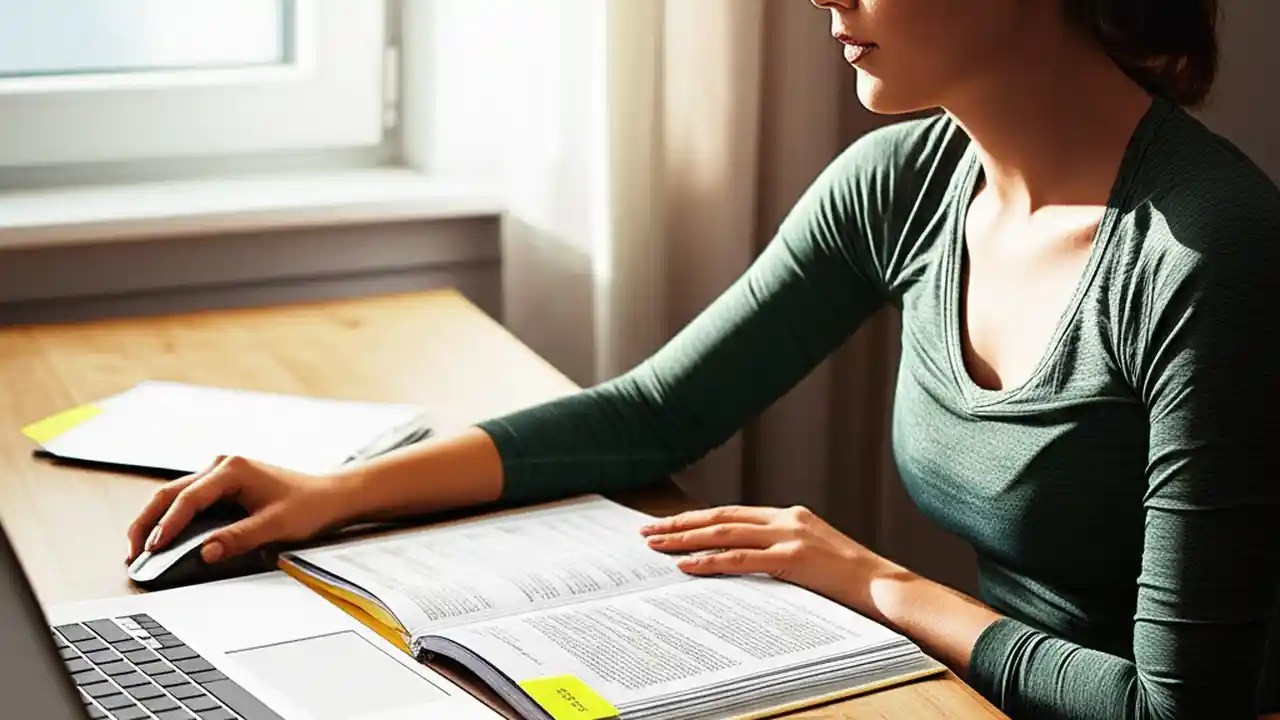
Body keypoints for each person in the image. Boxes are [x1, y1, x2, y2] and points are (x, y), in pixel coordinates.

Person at [126, 0, 1279, 717]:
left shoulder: (1208, 252)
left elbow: (1179, 709)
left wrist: (870, 582)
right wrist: (332, 495)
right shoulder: (907, 183)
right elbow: (653, 415)